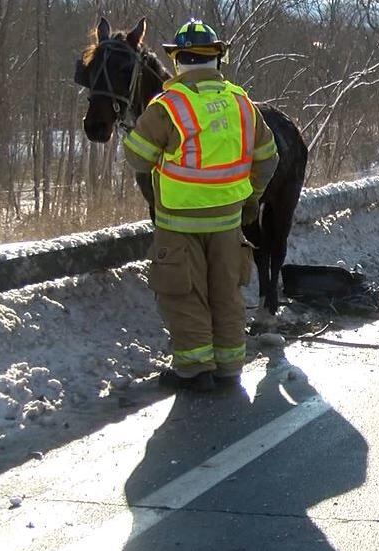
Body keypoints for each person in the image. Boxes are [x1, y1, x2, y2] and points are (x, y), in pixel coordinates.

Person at [122, 19, 280, 391]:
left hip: (179, 223)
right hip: (228, 222)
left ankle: (193, 371)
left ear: (178, 61)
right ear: (217, 59)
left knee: (184, 293)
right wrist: (250, 198)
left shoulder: (168, 106)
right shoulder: (241, 102)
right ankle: (229, 368)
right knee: (226, 293)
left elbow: (137, 159)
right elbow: (268, 158)